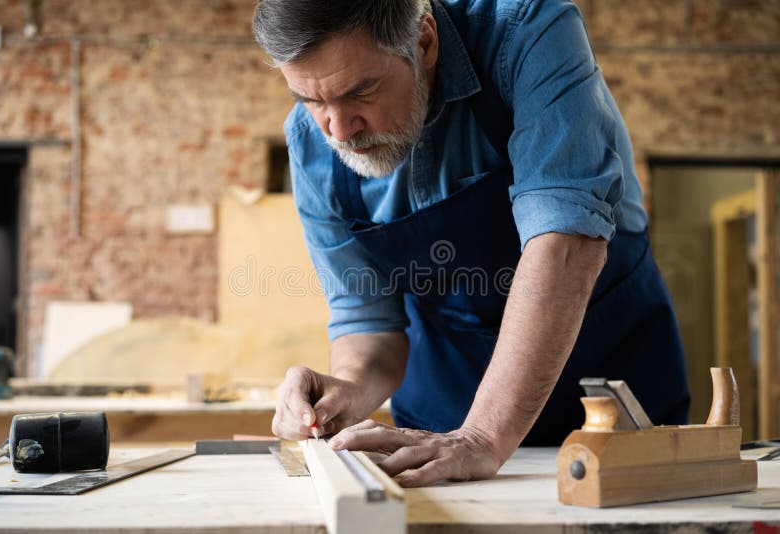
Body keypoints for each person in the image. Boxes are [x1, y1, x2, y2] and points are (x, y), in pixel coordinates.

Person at [253, 0, 690, 487]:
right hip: (444, 419)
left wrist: (483, 436)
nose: (337, 129)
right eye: (310, 100)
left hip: (609, 402)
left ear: (424, 41)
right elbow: (368, 321)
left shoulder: (527, 31)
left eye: (362, 91)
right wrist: (349, 390)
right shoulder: (311, 144)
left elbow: (565, 244)